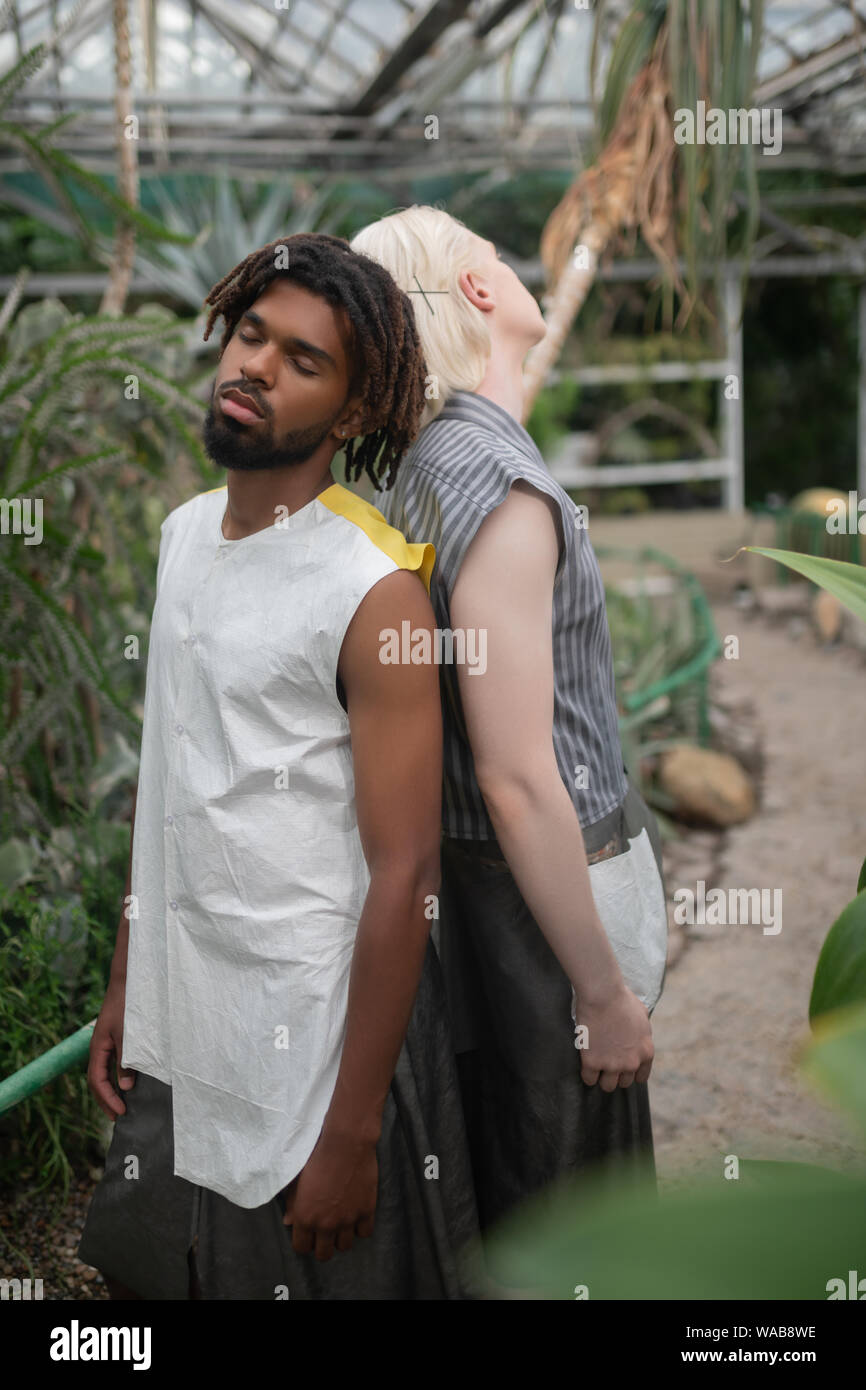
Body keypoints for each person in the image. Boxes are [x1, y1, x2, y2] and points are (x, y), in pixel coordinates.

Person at [77, 232, 481, 1300]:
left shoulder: (372, 589)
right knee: (153, 1277)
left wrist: (350, 1136)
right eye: (252, 334)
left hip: (313, 1042)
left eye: (304, 359)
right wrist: (130, 974)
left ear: (351, 412)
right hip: (182, 1012)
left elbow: (408, 874)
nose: (255, 364)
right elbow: (171, 779)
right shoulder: (180, 536)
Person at [351, 207, 669, 1235]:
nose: (514, 267)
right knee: (579, 1210)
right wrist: (601, 992)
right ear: (479, 293)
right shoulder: (495, 484)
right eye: (495, 255)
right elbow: (517, 773)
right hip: (533, 908)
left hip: (489, 895)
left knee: (513, 1194)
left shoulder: (426, 468)